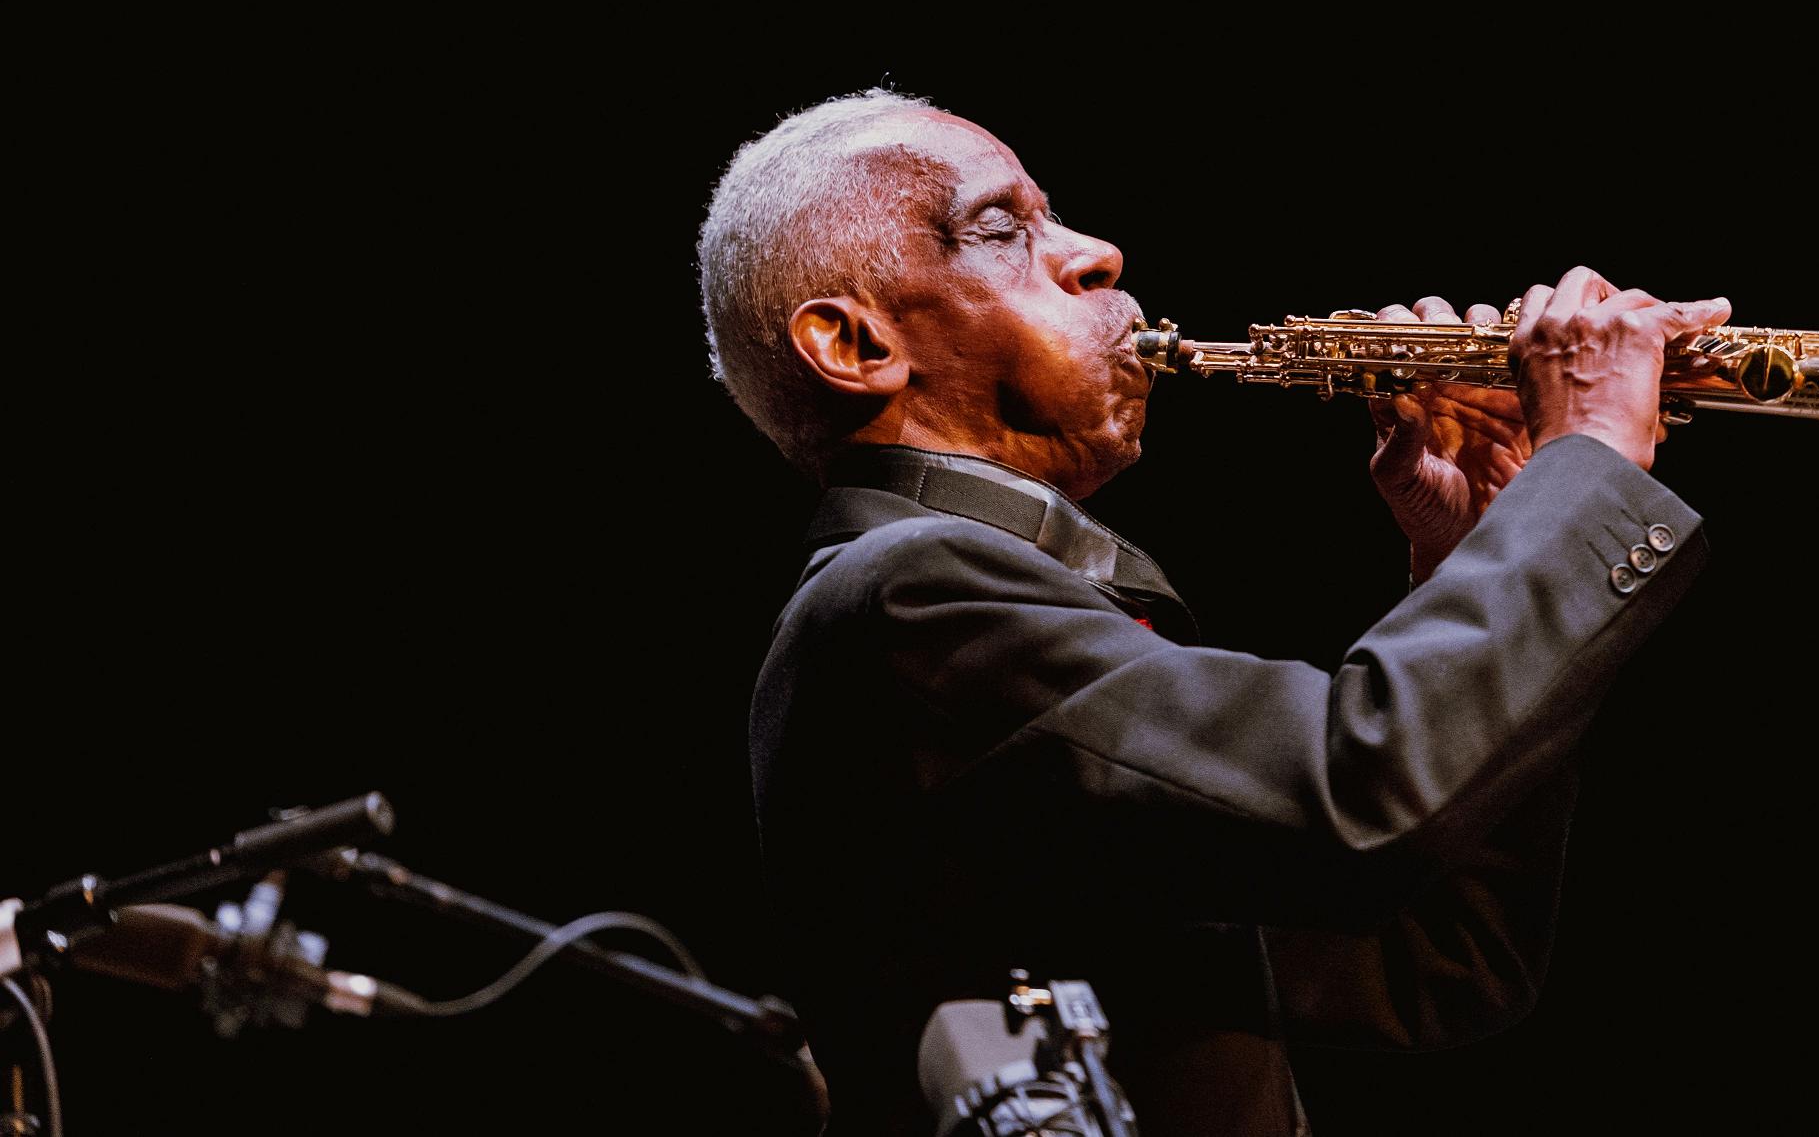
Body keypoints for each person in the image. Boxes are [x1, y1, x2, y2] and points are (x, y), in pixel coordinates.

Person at [699, 90, 1728, 1135]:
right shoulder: (907, 597)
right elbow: (1353, 786)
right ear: (853, 341)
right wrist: (1585, 458)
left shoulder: (973, 608)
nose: (1098, 252)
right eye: (1002, 229)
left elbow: (1441, 958)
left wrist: (1485, 541)